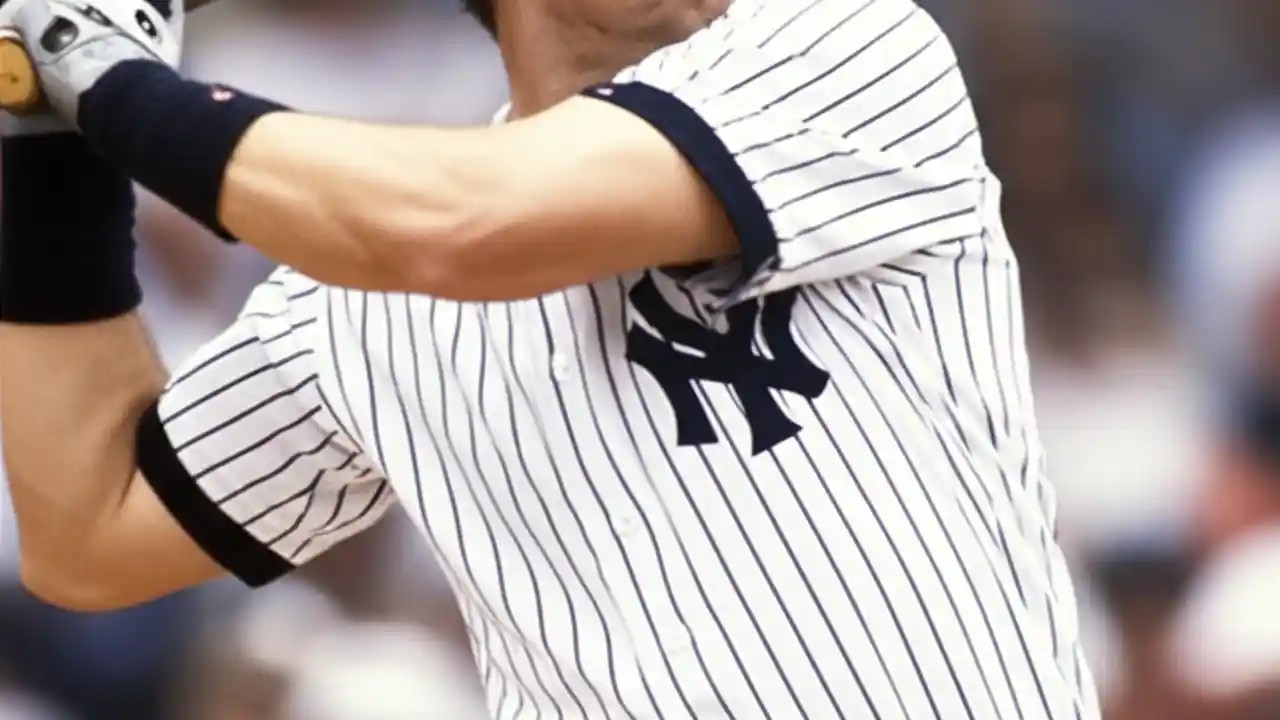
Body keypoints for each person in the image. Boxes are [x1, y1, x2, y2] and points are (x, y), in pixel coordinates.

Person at [1, 0, 1100, 717]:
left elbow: (458, 226)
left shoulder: (844, 51)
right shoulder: (356, 306)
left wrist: (104, 79)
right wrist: (46, 147)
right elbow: (91, 532)